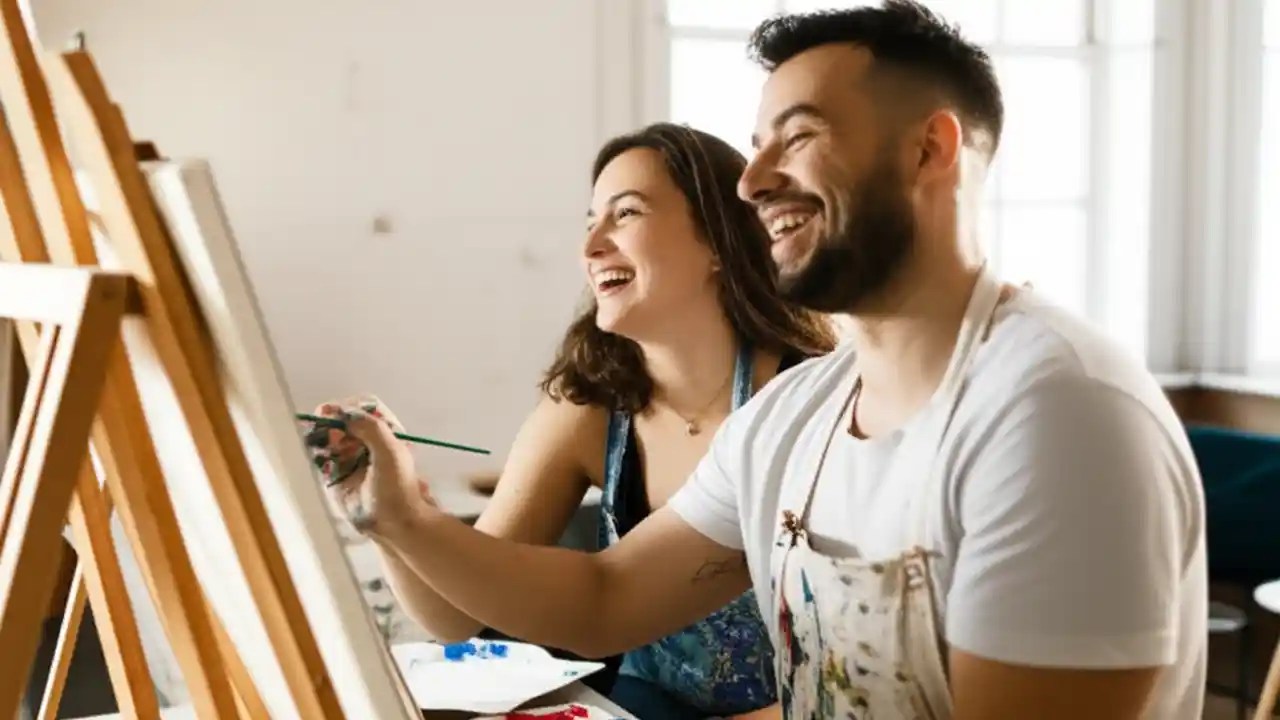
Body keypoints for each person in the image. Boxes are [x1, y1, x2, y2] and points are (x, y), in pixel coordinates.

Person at [311, 2, 1208, 717]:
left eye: (800, 136)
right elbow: (604, 598)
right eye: (758, 143)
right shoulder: (796, 415)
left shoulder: (1057, 413)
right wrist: (404, 519)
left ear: (930, 149)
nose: (753, 179)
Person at [308, 122, 836, 719]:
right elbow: (458, 617)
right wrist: (390, 522)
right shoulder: (590, 404)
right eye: (591, 223)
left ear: (718, 241)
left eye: (626, 214)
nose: (591, 248)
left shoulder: (806, 405)